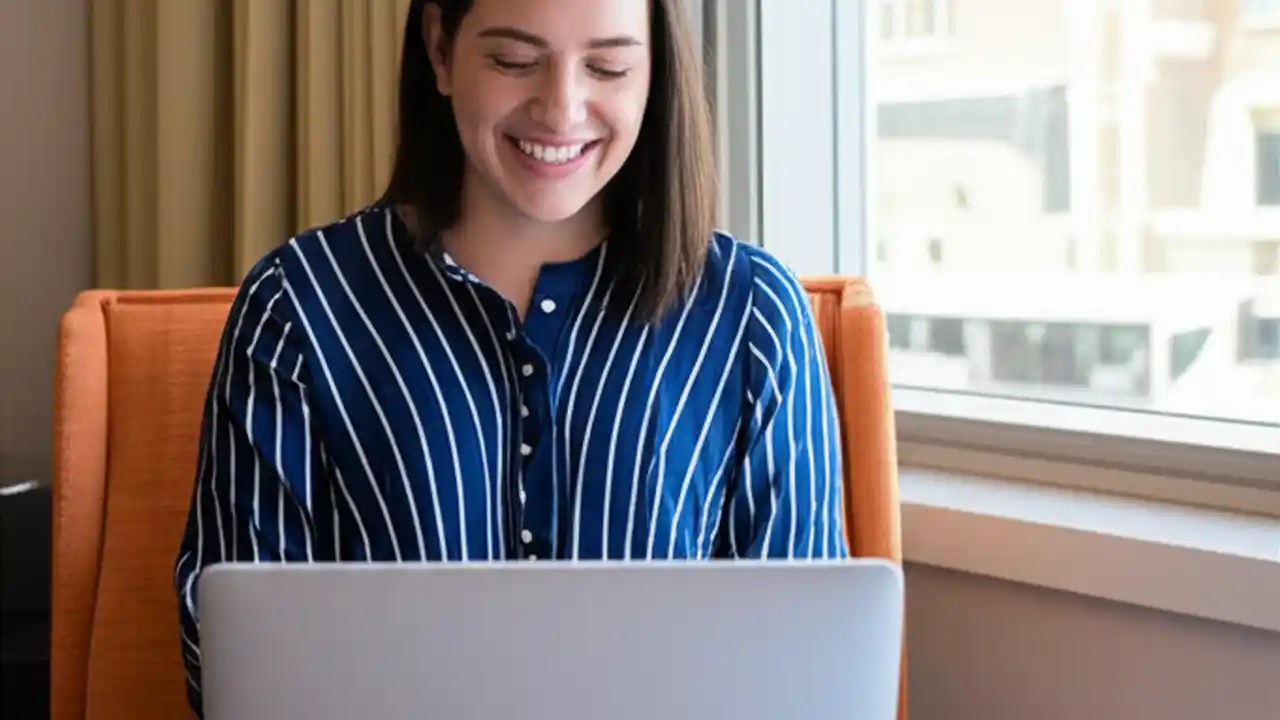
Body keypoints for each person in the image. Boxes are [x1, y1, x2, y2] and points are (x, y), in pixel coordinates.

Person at [174, 0, 846, 714]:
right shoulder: (300, 305)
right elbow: (230, 651)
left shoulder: (752, 316)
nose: (561, 110)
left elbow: (805, 672)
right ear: (439, 48)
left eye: (608, 67)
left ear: (657, 73)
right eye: (515, 61)